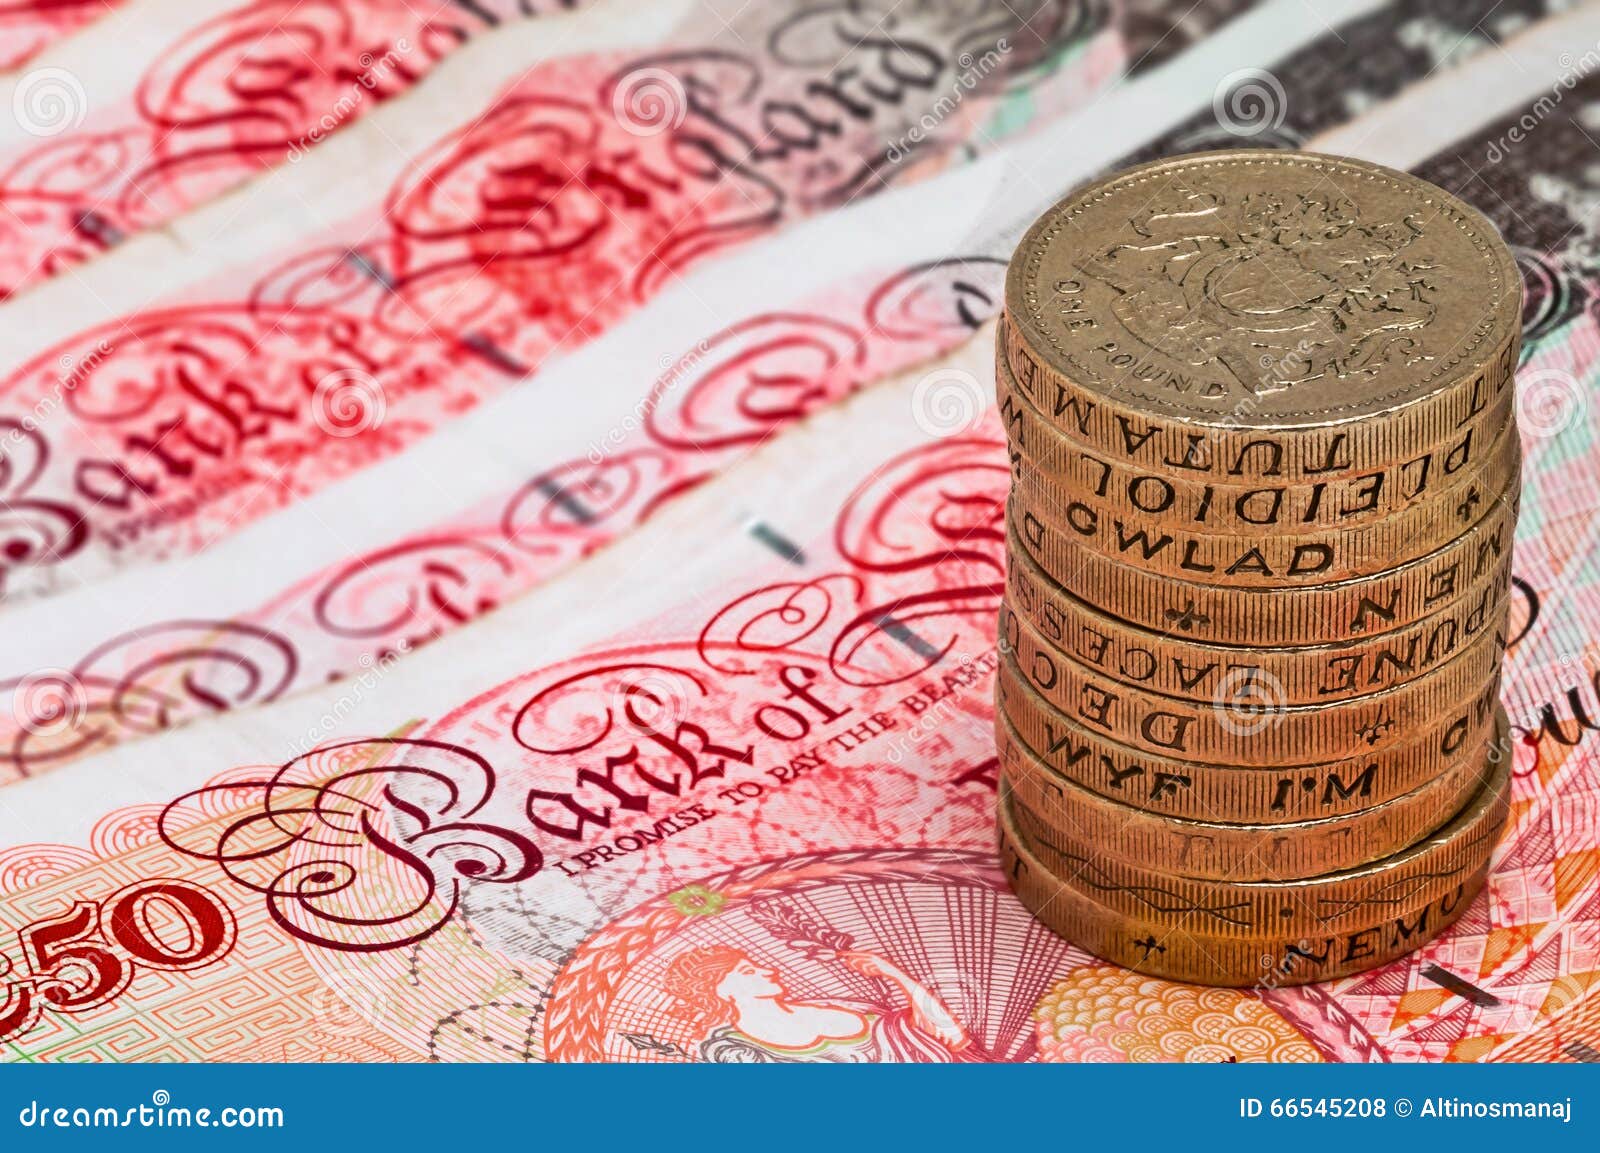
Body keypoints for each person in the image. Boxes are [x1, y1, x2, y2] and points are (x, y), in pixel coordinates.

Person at [662, 943, 975, 1062]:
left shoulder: (846, 1007)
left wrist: (894, 973)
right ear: (721, 991)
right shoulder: (733, 1051)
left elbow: (951, 1036)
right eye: (748, 971)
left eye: (757, 965)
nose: (767, 970)